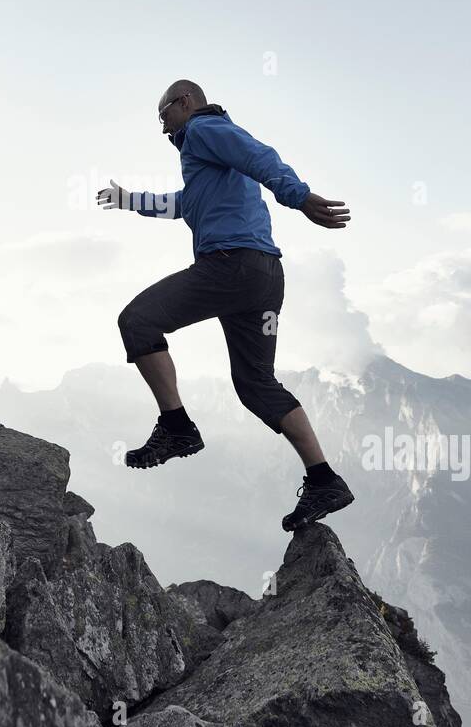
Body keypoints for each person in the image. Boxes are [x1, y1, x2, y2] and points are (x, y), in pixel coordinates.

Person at [96, 79, 354, 532]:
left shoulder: (203, 129)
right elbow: (180, 204)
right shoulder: (204, 162)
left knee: (137, 321)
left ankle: (176, 427)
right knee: (256, 384)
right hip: (265, 279)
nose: (162, 129)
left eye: (163, 116)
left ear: (185, 102)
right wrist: (128, 200)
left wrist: (298, 196)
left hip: (230, 267)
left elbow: (259, 155)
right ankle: (324, 479)